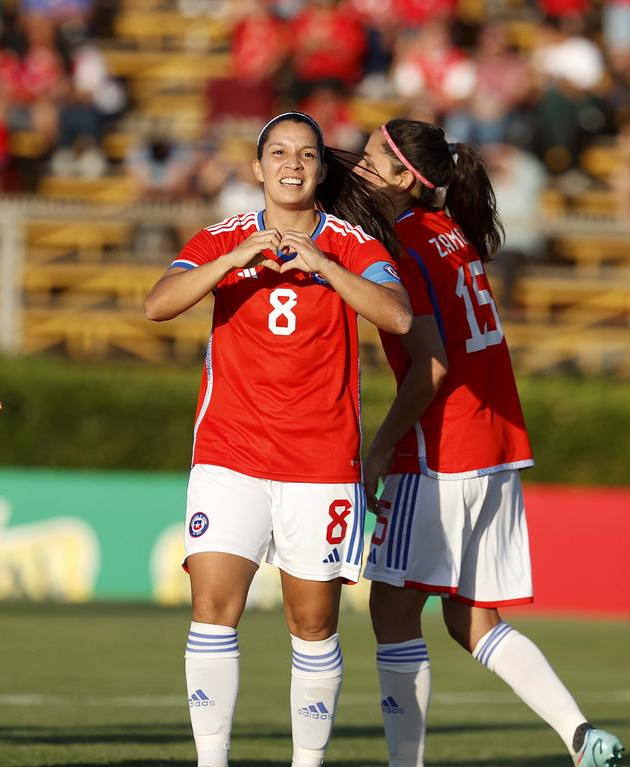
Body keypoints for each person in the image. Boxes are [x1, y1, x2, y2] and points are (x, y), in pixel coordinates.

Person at [144, 111, 411, 767]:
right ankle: (211, 760)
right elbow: (158, 304)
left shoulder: (350, 243)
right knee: (212, 607)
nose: (293, 164)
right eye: (280, 153)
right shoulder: (222, 236)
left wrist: (324, 266)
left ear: (320, 169)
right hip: (229, 454)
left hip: (320, 462)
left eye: (307, 154)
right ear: (257, 168)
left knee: (313, 623)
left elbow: (399, 315)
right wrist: (232, 261)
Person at [354, 118, 624, 767]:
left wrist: (379, 447)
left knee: (392, 611)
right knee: (471, 620)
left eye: (370, 160)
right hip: (494, 448)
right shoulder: (447, 231)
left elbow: (431, 367)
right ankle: (582, 736)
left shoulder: (406, 241)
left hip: (443, 450)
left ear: (404, 179)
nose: (359, 168)